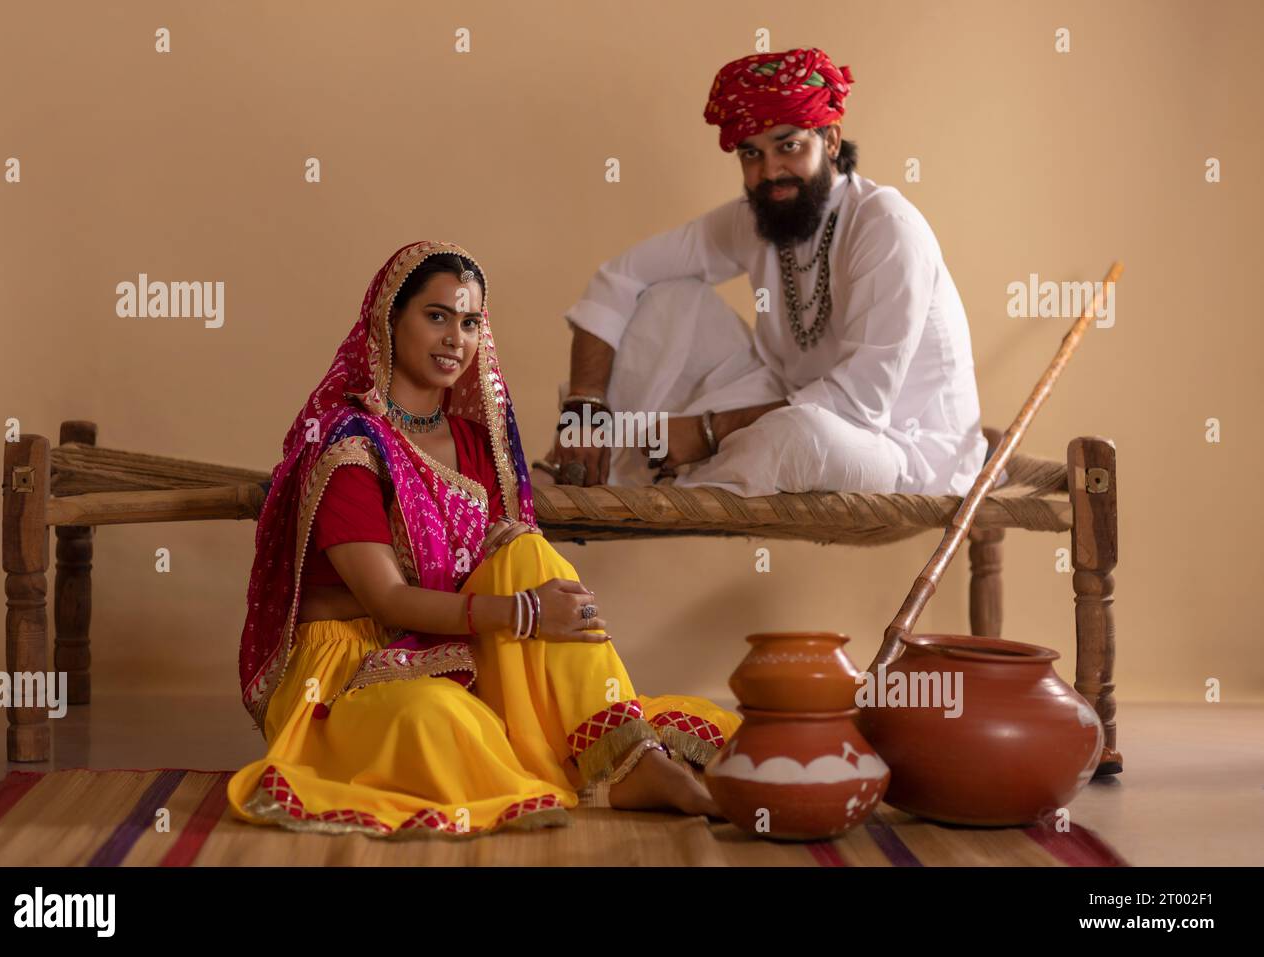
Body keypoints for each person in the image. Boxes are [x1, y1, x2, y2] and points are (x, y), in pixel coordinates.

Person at [229, 240, 740, 839]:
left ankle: (635, 762)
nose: (455, 338)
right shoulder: (351, 447)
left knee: (522, 549)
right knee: (441, 723)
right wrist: (525, 612)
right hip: (348, 672)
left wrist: (515, 566)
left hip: (453, 642)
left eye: (470, 322)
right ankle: (575, 756)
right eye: (436, 315)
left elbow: (500, 564)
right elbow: (387, 602)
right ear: (389, 320)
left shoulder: (478, 443)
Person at [540, 47, 988, 498]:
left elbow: (860, 406)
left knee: (799, 435)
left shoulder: (886, 225)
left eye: (788, 146)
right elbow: (621, 277)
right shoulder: (757, 216)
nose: (770, 171)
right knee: (660, 301)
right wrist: (584, 408)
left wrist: (708, 431)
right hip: (784, 399)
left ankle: (653, 482)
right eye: (751, 154)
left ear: (831, 141)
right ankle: (592, 462)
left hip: (901, 446)